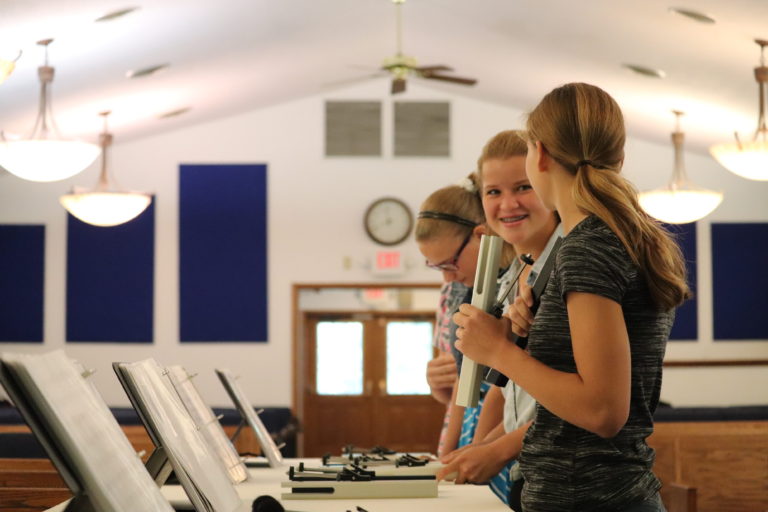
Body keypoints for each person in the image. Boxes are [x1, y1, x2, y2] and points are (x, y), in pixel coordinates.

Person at [454, 83, 689, 512]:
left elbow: (603, 411)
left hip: (587, 496)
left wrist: (499, 351)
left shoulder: (588, 246)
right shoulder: (608, 238)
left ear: (539, 154)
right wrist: (527, 333)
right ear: (619, 159)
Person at [436, 130, 560, 510]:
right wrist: (477, 449)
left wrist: (498, 450)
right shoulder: (515, 275)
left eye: (523, 187)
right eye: (493, 192)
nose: (508, 204)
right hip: (529, 475)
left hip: (569, 480)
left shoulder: (567, 269)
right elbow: (512, 392)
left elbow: (584, 405)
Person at [416, 174, 508, 457]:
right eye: (436, 267)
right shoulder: (453, 291)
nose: (447, 276)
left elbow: (504, 389)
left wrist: (478, 451)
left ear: (480, 236)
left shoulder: (513, 281)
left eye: (450, 263)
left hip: (497, 436)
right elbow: (457, 387)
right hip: (467, 432)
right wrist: (437, 386)